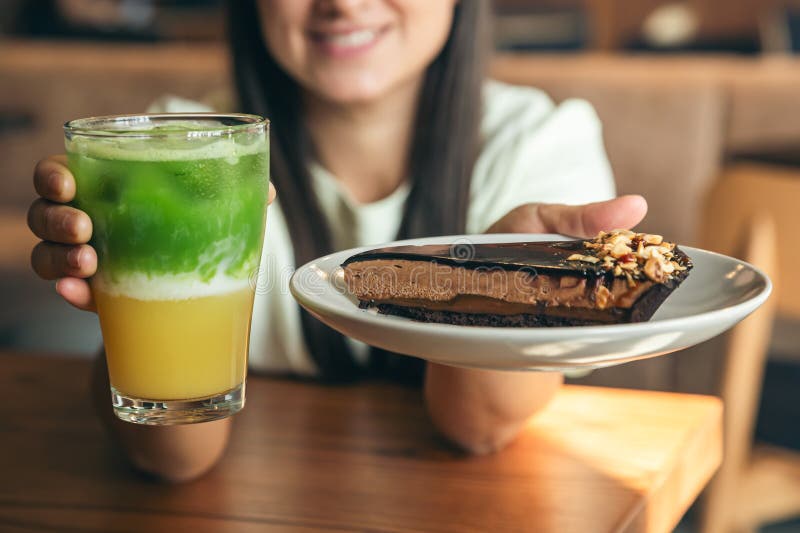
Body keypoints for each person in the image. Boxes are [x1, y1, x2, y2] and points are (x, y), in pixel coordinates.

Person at [27, 0, 648, 482]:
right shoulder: (185, 160)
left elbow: (476, 428)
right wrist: (124, 305)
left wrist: (499, 286)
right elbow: (172, 459)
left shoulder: (540, 146)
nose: (344, 4)